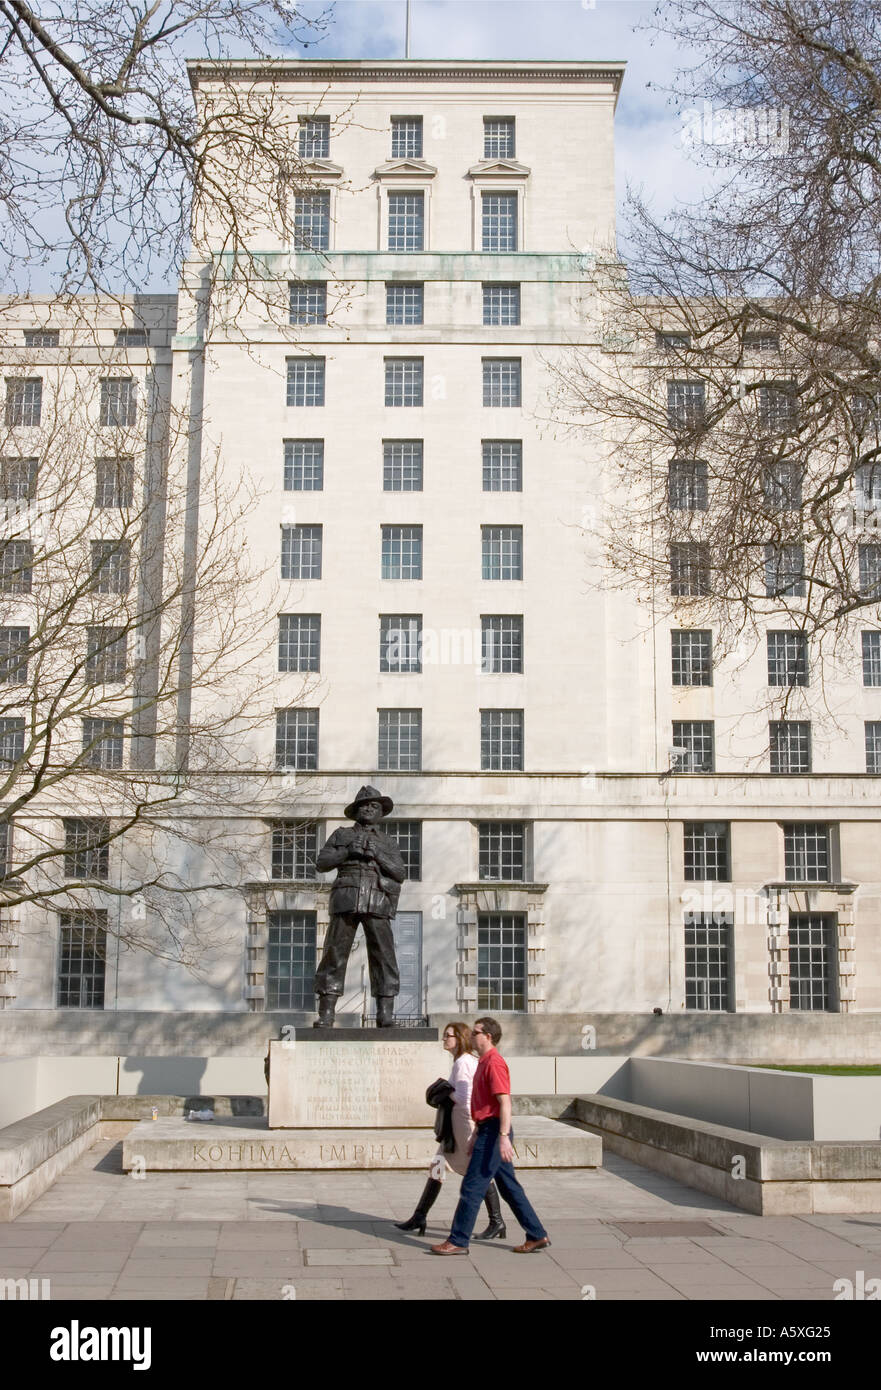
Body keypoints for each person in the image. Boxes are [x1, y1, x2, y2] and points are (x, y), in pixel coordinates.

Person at [430, 1016, 551, 1255]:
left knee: (472, 1187)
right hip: (487, 1129)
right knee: (509, 1188)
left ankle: (458, 1240)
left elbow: (504, 1101)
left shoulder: (494, 1062)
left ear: (488, 1036)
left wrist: (504, 1136)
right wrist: (477, 1131)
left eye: (476, 1032)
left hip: (495, 1132)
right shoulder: (483, 1061)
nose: (472, 1036)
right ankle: (536, 1234)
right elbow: (484, 1104)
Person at [394, 1022, 506, 1239]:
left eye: (448, 1036)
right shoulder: (462, 1061)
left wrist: (445, 1094)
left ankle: (497, 1221)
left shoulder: (463, 1062)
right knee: (437, 1165)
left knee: (476, 1171)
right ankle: (419, 1216)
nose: (444, 1039)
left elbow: (464, 1098)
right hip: (456, 1123)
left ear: (459, 1039)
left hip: (463, 1123)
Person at [313, 785, 405, 1027]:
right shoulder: (341, 834)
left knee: (384, 955)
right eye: (363, 805)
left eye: (374, 806)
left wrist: (378, 855)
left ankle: (385, 1013)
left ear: (380, 812)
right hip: (346, 896)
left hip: (378, 899)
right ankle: (327, 1013)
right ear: (355, 811)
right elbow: (321, 863)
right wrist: (346, 853)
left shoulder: (387, 841)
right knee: (334, 953)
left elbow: (399, 873)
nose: (368, 808)